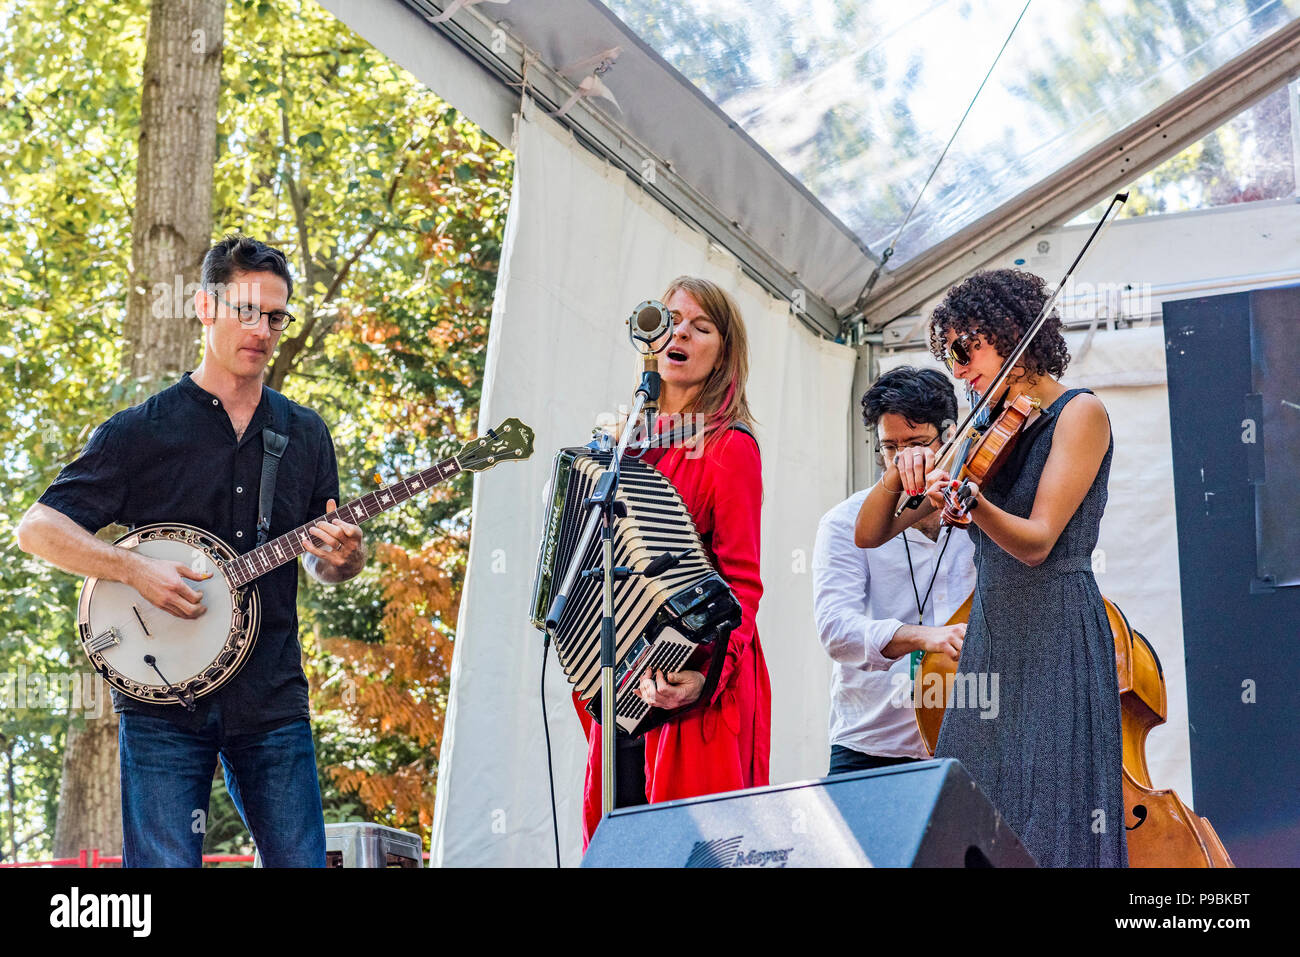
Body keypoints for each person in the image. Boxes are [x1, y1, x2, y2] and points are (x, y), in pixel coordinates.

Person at [16, 235, 366, 867]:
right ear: (206, 306)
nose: (262, 329)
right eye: (246, 311)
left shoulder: (305, 434)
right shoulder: (140, 433)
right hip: (162, 703)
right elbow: (37, 529)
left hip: (271, 697)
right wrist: (133, 569)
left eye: (276, 316)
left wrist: (342, 559)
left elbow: (321, 559)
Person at [853, 268, 1127, 868]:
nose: (956, 367)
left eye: (963, 347)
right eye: (945, 353)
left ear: (1010, 330)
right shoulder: (985, 423)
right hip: (995, 631)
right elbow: (871, 532)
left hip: (1058, 625)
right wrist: (902, 470)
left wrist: (973, 503)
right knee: (972, 813)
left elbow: (1037, 543)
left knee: (1056, 817)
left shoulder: (1081, 414)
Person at [574, 276, 769, 849]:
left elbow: (744, 585)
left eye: (701, 326)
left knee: (693, 850)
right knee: (622, 847)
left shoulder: (732, 447)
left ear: (723, 353)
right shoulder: (618, 442)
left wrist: (706, 676)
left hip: (697, 681)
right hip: (619, 682)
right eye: (671, 320)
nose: (681, 332)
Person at [813, 367, 975, 775]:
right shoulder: (843, 521)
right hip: (871, 742)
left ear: (951, 435)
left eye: (919, 445)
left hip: (973, 736)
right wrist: (925, 637)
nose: (906, 462)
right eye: (891, 449)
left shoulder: (981, 510)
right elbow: (836, 630)